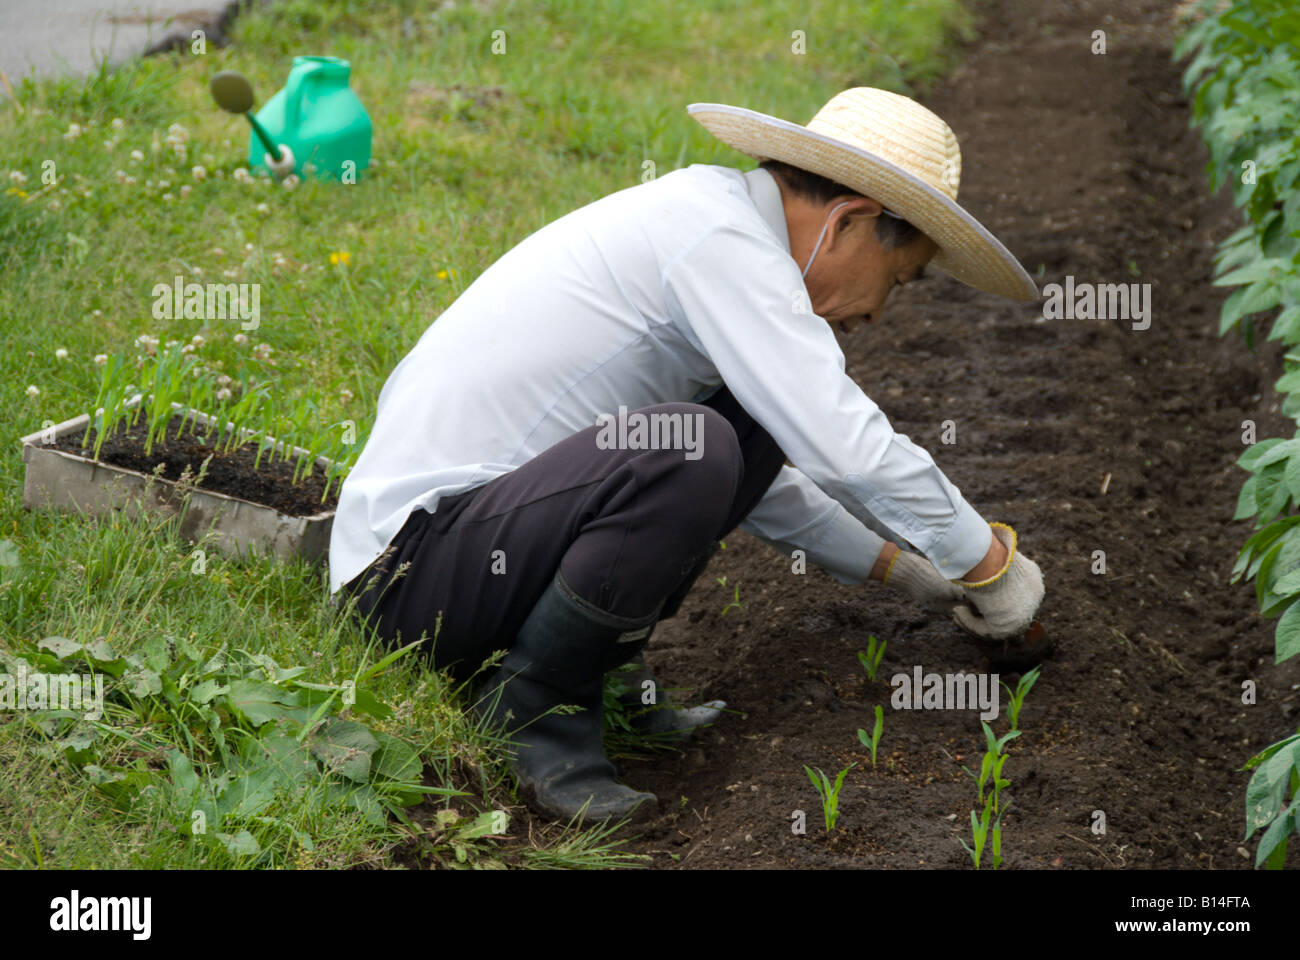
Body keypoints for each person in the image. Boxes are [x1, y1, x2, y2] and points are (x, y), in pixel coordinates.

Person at [329, 87, 1046, 825]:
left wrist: (901, 567)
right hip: (406, 579)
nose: (875, 313)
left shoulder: (712, 224)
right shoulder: (718, 240)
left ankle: (602, 678)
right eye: (894, 281)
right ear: (850, 220)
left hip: (473, 550)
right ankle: (534, 714)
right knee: (694, 445)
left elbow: (760, 475)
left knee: (741, 426)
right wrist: (989, 566)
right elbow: (843, 449)